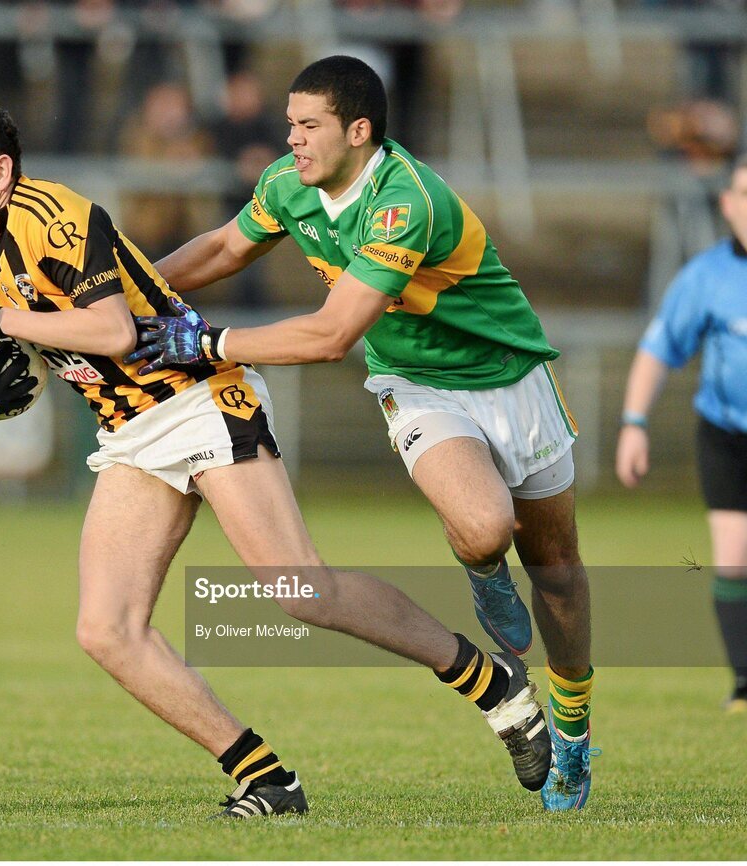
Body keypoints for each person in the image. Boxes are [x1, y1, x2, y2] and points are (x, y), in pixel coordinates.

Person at [0, 100, 552, 819]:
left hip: (199, 396)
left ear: (0, 173)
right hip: (129, 431)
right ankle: (266, 779)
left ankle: (490, 683)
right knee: (106, 630)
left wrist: (1, 322)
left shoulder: (55, 215)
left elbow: (112, 330)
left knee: (301, 591)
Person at [126, 55, 596, 812]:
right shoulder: (288, 183)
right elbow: (223, 247)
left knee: (561, 573)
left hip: (512, 377)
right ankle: (482, 570)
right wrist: (135, 293)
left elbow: (331, 334)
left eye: (308, 126)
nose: (292, 140)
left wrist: (206, 342)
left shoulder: (403, 200)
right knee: (482, 529)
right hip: (417, 386)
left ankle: (572, 725)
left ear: (359, 130)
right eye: (289, 124)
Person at [616, 153, 747, 713]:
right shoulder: (706, 277)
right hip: (727, 435)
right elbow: (658, 351)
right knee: (734, 560)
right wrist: (634, 424)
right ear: (727, 203)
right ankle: (745, 683)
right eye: (744, 193)